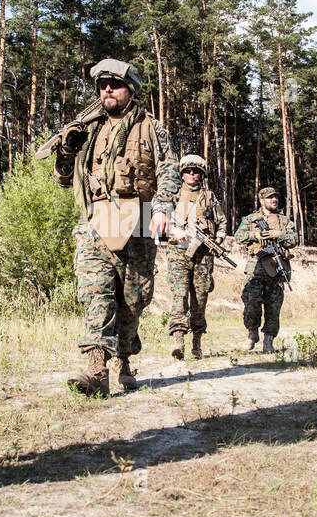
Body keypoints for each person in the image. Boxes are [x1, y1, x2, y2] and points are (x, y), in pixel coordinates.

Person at [54, 59, 178, 395]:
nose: (107, 89)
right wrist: (66, 150)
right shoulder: (88, 128)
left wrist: (162, 207)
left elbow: (169, 169)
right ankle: (97, 370)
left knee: (132, 298)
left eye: (116, 84)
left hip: (138, 217)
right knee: (97, 292)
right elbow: (65, 180)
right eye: (103, 84)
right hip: (97, 218)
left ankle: (124, 356)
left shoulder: (152, 127)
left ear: (131, 89)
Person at [166, 154, 227, 360]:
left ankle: (196, 344)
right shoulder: (172, 195)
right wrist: (174, 232)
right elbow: (158, 222)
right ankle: (178, 341)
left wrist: (218, 240)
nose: (192, 174)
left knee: (200, 299)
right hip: (178, 252)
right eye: (188, 171)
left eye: (196, 171)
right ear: (181, 174)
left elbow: (222, 223)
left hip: (203, 256)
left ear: (202, 174)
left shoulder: (209, 197)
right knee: (179, 296)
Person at [234, 187, 298, 353]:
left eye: (276, 197)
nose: (274, 200)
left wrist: (279, 235)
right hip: (255, 271)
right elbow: (238, 236)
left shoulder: (284, 221)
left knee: (273, 308)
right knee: (251, 304)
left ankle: (268, 341)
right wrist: (256, 236)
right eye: (270, 198)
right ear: (261, 201)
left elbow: (294, 240)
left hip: (276, 271)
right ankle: (252, 333)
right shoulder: (250, 219)